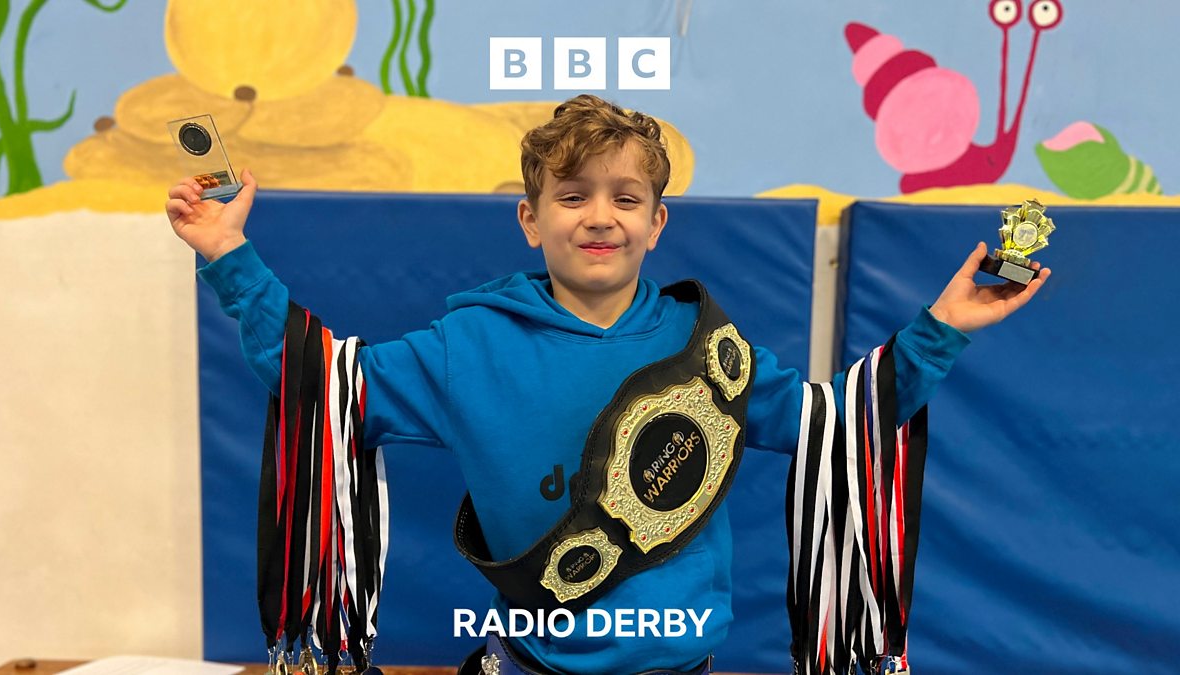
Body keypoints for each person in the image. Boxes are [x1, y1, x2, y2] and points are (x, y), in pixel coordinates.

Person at [165, 94, 1049, 675]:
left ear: (657, 224)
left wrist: (942, 327)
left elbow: (842, 421)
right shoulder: (464, 344)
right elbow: (313, 381)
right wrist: (227, 256)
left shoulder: (707, 347)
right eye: (573, 194)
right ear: (530, 217)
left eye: (627, 198)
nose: (600, 215)